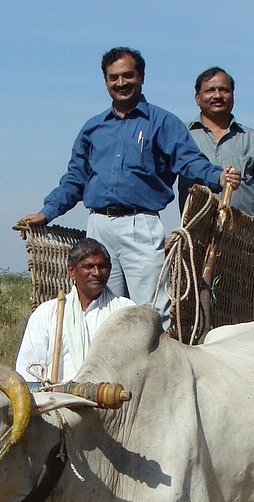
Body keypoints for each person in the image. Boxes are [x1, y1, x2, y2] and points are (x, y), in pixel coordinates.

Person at [15, 47, 240, 321]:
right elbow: (75, 178)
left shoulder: (162, 122)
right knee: (100, 308)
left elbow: (189, 161)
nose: (121, 83)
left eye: (127, 75)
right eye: (114, 78)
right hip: (99, 226)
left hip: (140, 224)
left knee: (151, 310)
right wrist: (47, 212)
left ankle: (155, 352)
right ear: (105, 81)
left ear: (141, 77)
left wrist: (217, 176)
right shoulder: (93, 128)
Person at [16, 238, 135, 384]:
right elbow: (29, 372)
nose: (96, 273)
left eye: (102, 266)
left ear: (110, 269)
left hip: (112, 395)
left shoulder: (126, 312)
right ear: (72, 271)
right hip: (57, 396)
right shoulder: (47, 313)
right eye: (88, 267)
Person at [180, 67, 254, 239]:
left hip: (245, 240)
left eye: (224, 90)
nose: (217, 95)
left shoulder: (252, 139)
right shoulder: (182, 136)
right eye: (210, 90)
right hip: (196, 236)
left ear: (233, 95)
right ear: (197, 97)